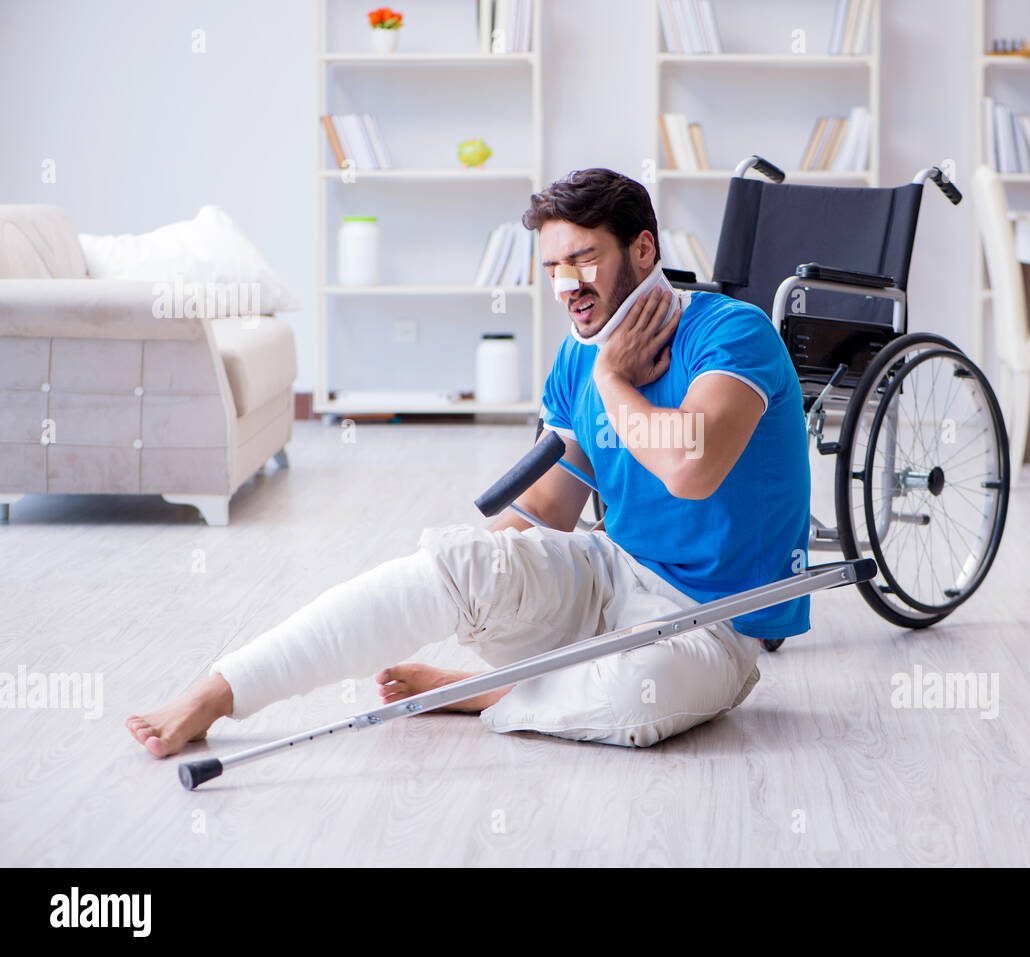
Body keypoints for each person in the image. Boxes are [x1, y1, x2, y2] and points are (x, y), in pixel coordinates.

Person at [125, 168, 810, 755]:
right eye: (552, 268)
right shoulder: (579, 355)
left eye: (585, 259)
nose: (568, 284)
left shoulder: (729, 331)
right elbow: (548, 509)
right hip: (614, 573)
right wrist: (461, 581)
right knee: (453, 565)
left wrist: (613, 380)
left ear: (644, 248)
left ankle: (482, 693)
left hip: (715, 617)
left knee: (637, 696)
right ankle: (219, 690)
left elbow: (691, 469)